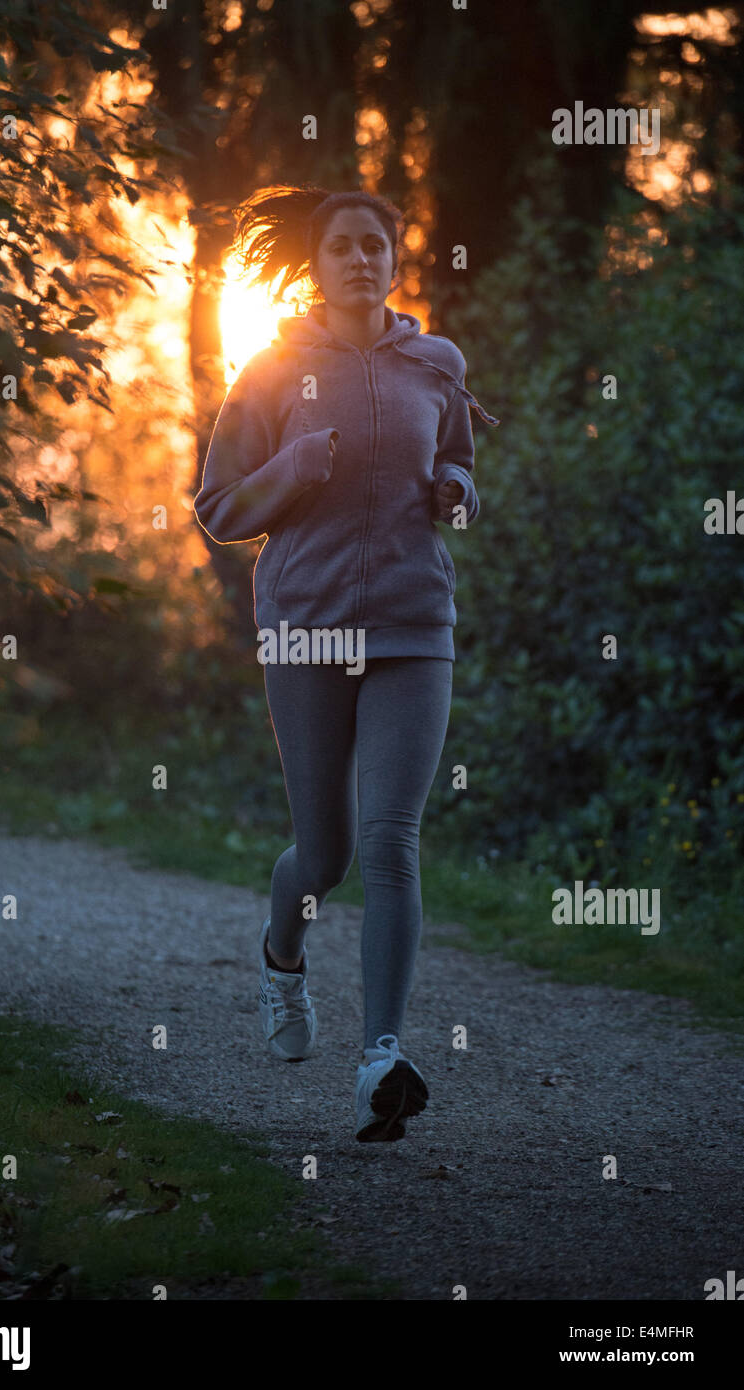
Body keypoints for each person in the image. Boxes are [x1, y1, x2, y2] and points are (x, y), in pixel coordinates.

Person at [194, 184, 499, 1142]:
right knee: (323, 858)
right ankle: (282, 956)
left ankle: (380, 1055)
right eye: (340, 246)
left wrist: (456, 488)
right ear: (316, 264)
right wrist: (294, 468)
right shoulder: (272, 368)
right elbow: (216, 507)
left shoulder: (436, 363)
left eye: (375, 244)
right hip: (308, 626)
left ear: (395, 260)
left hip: (415, 623)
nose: (359, 259)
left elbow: (456, 463)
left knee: (392, 840)